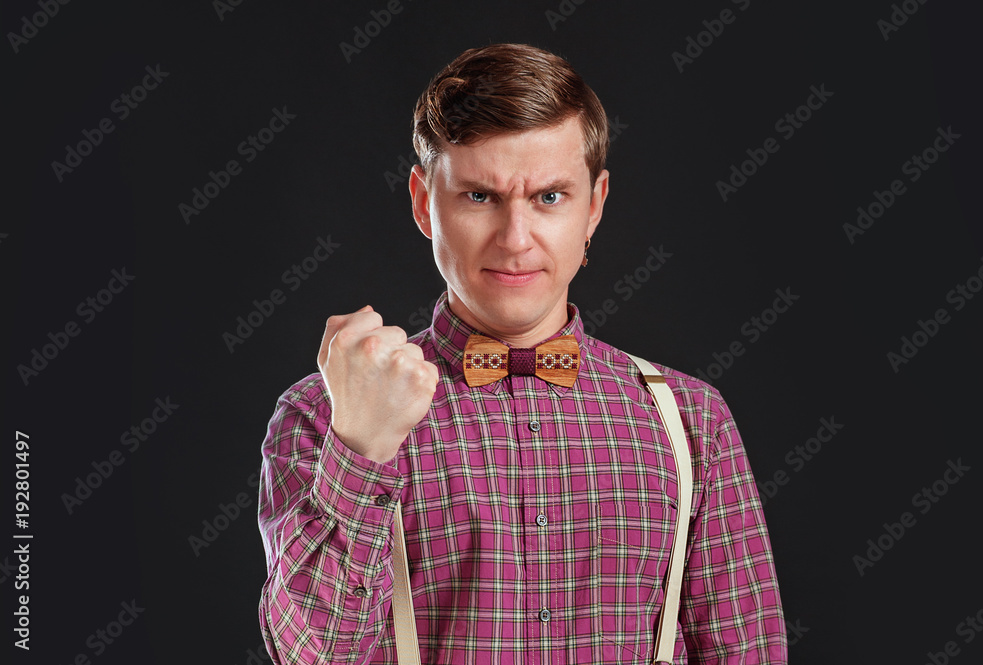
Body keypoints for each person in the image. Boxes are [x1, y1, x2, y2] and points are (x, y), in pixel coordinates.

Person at [257, 43, 787, 664]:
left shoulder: (693, 421)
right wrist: (362, 448)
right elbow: (315, 656)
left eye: (550, 197)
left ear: (594, 206)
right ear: (425, 202)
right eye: (480, 196)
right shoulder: (321, 416)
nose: (515, 239)